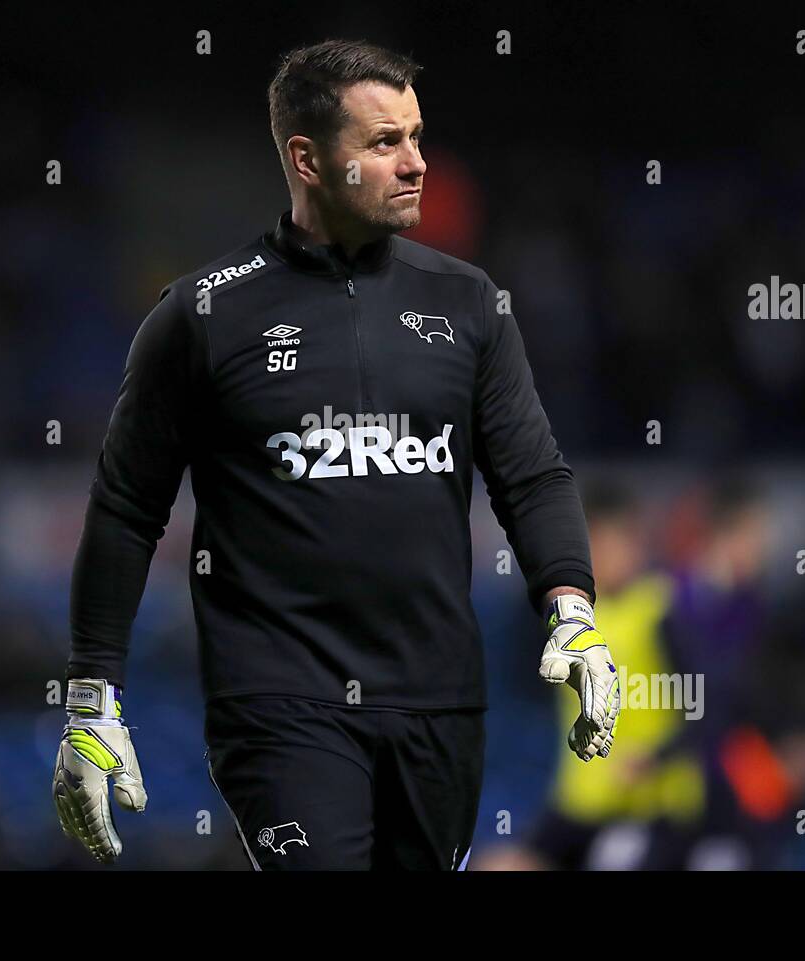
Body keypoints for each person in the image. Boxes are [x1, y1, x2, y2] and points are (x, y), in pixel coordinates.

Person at [51, 38, 619, 871]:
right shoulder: (201, 316)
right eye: (385, 143)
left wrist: (572, 607)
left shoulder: (469, 304)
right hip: (280, 705)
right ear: (308, 159)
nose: (416, 163)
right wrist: (92, 697)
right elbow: (127, 509)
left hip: (439, 704)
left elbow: (532, 475)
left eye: (418, 137)